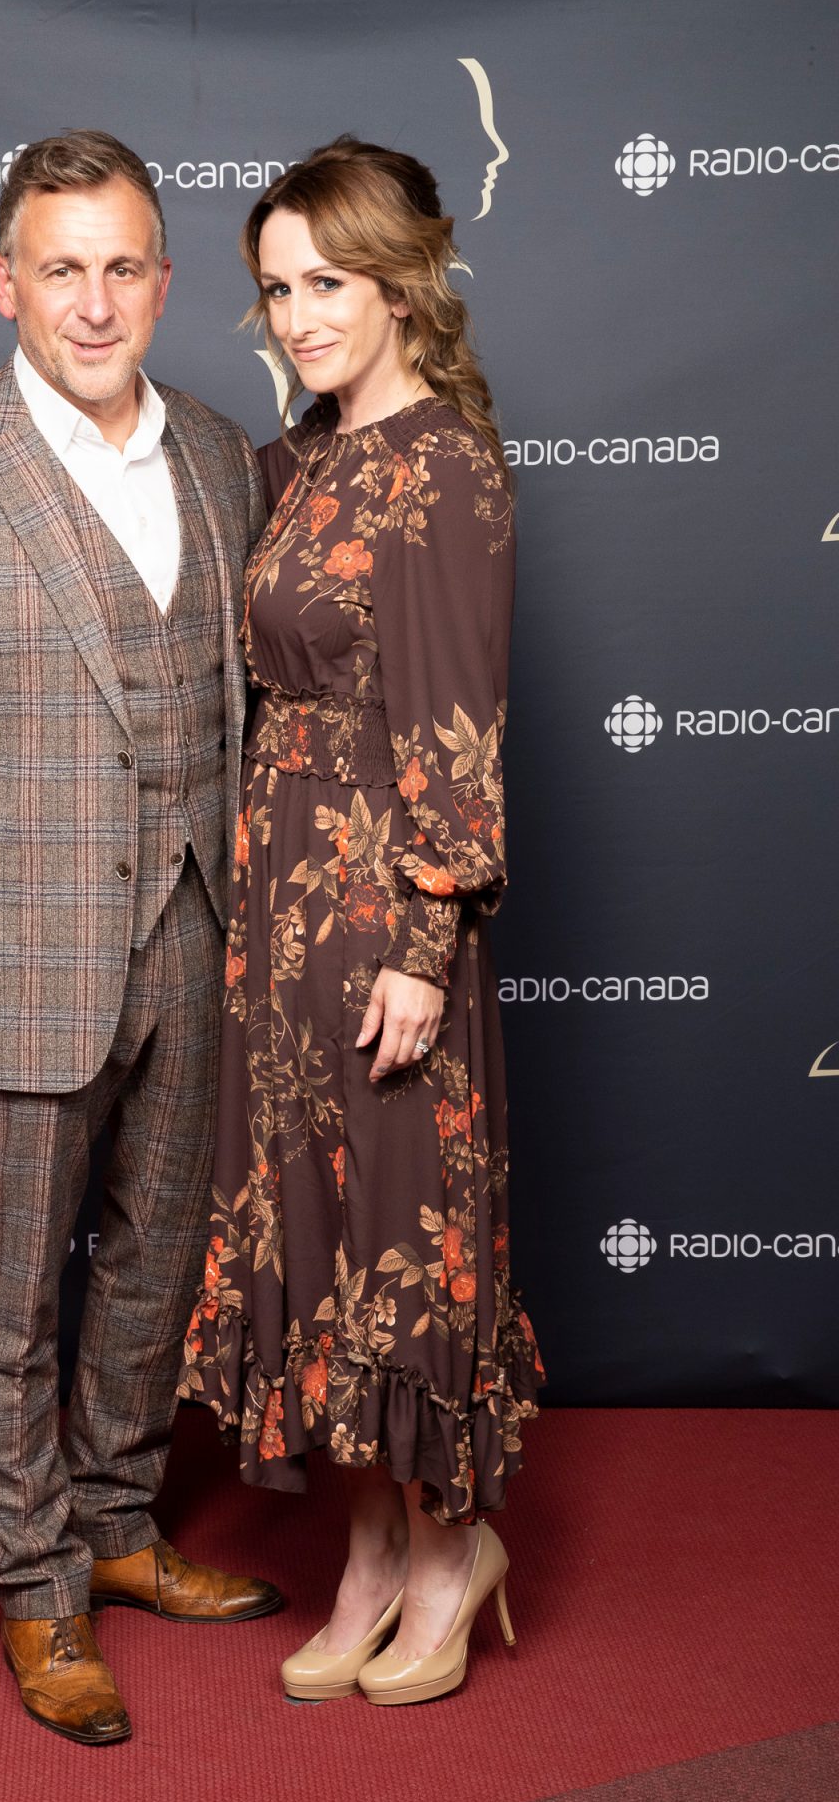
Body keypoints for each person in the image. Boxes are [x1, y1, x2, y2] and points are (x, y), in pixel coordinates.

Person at [0, 130, 282, 1749]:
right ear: (6, 283)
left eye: (123, 266)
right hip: (12, 966)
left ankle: (120, 1519)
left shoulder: (222, 454)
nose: (95, 301)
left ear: (163, 281)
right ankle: (37, 1583)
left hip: (198, 935)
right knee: (8, 1297)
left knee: (159, 1259)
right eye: (61, 268)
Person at [178, 138, 545, 1707]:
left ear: (403, 282)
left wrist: (425, 945)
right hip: (281, 903)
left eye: (327, 282)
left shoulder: (443, 466)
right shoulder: (300, 461)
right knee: (321, 1234)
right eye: (277, 290)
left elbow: (458, 721)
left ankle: (455, 1550)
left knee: (405, 1230)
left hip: (388, 906)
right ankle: (373, 1550)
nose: (300, 316)